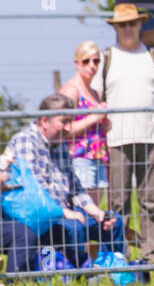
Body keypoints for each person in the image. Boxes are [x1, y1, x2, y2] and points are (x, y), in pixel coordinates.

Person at [1, 94, 125, 267]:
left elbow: (75, 186)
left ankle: (116, 270)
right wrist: (66, 212)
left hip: (63, 211)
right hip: (38, 218)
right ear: (44, 121)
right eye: (64, 121)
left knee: (114, 220)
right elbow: (35, 194)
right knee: (74, 226)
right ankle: (77, 276)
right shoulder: (25, 142)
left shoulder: (59, 143)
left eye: (70, 121)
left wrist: (96, 212)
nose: (69, 128)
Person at [92, 3, 154, 266]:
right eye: (122, 24)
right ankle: (118, 255)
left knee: (150, 201)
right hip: (116, 139)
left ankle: (152, 257)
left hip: (151, 136)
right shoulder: (104, 59)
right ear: (115, 28)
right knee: (118, 203)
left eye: (131, 23)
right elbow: (94, 99)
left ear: (140, 25)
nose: (127, 29)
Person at [59, 41, 111, 207]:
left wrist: (105, 121)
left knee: (94, 213)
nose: (92, 66)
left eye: (96, 61)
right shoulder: (71, 90)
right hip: (79, 158)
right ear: (77, 63)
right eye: (86, 61)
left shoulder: (95, 92)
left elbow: (99, 125)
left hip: (98, 157)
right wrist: (93, 118)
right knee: (82, 211)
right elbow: (63, 130)